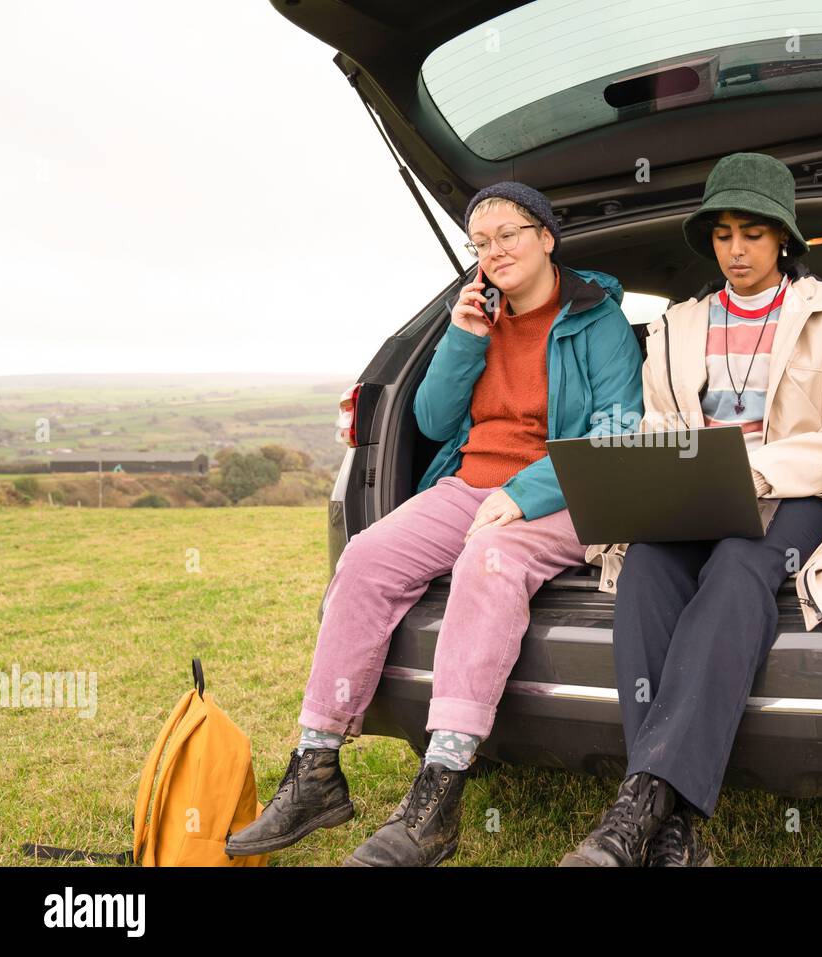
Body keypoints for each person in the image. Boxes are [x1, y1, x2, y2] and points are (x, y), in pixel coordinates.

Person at [226, 182, 642, 867]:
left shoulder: (598, 322)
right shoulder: (483, 317)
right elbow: (432, 421)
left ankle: (438, 797)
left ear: (546, 236)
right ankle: (316, 767)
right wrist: (461, 338)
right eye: (480, 243)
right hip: (471, 484)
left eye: (508, 234)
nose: (494, 251)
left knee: (489, 557)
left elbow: (617, 433)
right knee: (364, 557)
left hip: (568, 492)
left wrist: (528, 490)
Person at [563, 152, 822, 866]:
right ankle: (670, 828)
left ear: (783, 239)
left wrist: (759, 468)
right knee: (647, 567)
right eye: (722, 235)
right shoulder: (677, 325)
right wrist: (673, 463)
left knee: (741, 566)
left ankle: (637, 805)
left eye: (751, 232)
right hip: (695, 487)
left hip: (802, 490)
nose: (736, 249)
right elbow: (655, 421)